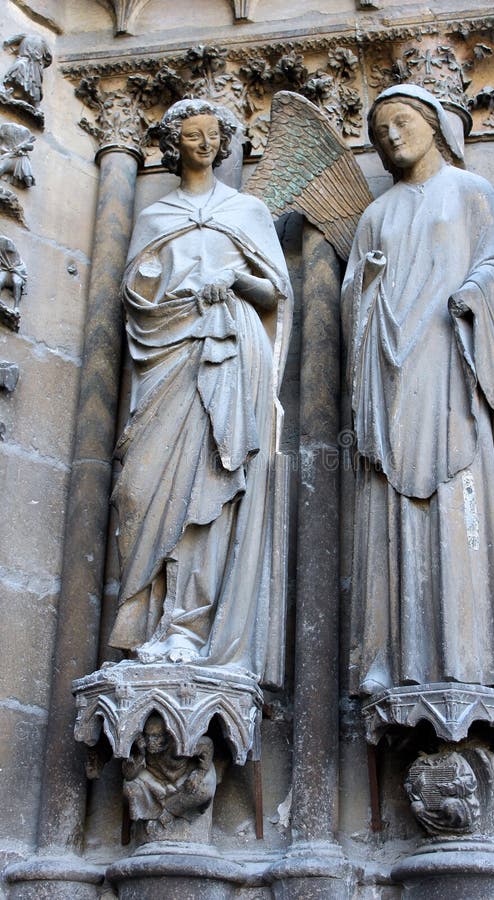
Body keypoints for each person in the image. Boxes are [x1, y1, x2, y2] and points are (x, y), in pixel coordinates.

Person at [343, 84, 494, 698]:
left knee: (459, 502)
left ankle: (475, 653)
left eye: (400, 122)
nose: (391, 137)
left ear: (432, 122)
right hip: (395, 379)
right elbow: (354, 300)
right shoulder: (376, 214)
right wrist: (365, 286)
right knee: (394, 511)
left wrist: (474, 295)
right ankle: (396, 659)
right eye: (378, 134)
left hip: (454, 366)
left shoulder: (471, 192)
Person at [109, 99, 293, 684]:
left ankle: (191, 627)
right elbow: (136, 300)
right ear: (173, 145)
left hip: (229, 355)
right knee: (140, 490)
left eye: (214, 135)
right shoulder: (155, 216)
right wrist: (157, 289)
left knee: (209, 485)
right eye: (191, 135)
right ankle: (147, 624)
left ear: (227, 141)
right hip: (166, 355)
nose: (204, 143)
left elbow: (276, 294)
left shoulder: (247, 209)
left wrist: (235, 279)